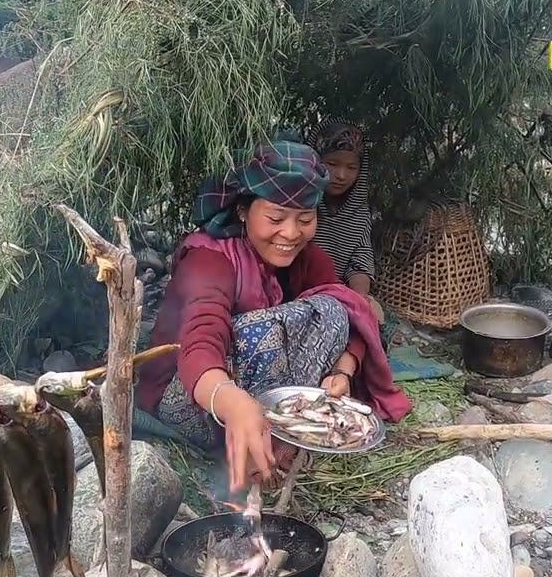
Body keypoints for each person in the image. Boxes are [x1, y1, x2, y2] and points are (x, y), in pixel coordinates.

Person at [135, 139, 413, 493]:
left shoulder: (305, 256)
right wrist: (234, 404)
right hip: (191, 399)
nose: (291, 234)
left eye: (305, 219)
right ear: (242, 211)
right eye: (276, 218)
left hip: (249, 392)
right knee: (260, 329)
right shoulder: (209, 260)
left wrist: (345, 369)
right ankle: (247, 438)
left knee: (333, 306)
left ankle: (273, 431)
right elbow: (201, 338)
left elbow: (351, 312)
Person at [304, 119, 386, 322]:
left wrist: (360, 299)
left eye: (351, 167)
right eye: (332, 164)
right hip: (300, 295)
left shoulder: (358, 211)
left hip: (341, 297)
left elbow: (360, 260)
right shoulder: (300, 205)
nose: (341, 175)